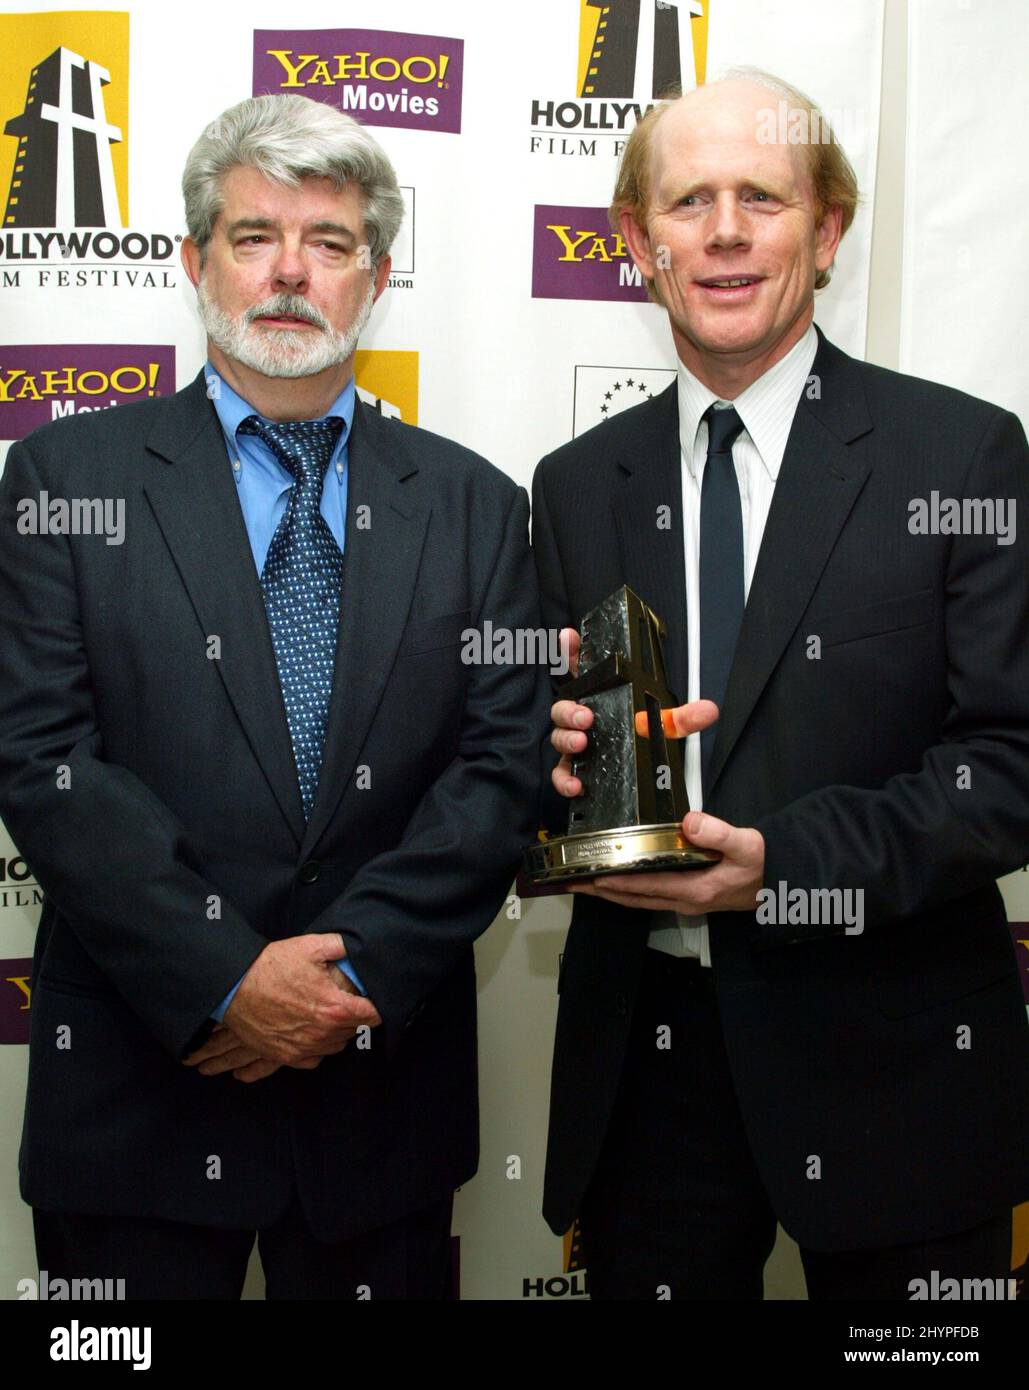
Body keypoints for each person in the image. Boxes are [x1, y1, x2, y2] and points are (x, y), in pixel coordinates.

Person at [0, 93, 547, 1300]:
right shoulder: (61, 480)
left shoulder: (475, 506)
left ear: (378, 277)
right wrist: (227, 979)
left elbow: (502, 767)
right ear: (195, 261)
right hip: (139, 1100)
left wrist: (345, 977)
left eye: (329, 242)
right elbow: (42, 758)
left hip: (377, 1111)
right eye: (254, 236)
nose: (290, 272)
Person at [533, 69, 1029, 1299]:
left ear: (829, 229)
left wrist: (781, 865)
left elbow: (1010, 765)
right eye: (688, 201)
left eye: (763, 196)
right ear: (639, 242)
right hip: (647, 1086)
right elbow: (538, 763)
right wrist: (555, 784)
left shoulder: (961, 454)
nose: (725, 232)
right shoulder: (575, 483)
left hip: (898, 1073)